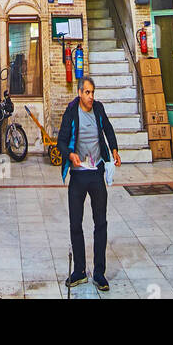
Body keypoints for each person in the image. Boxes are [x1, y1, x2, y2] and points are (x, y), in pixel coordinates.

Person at [57, 76, 120, 291]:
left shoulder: (99, 109)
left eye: (93, 92)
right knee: (76, 224)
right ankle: (79, 271)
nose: (91, 97)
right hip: (77, 175)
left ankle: (99, 273)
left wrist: (114, 149)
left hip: (96, 174)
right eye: (87, 93)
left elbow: (108, 130)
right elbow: (61, 142)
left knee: (100, 223)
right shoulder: (71, 111)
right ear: (79, 93)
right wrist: (71, 155)